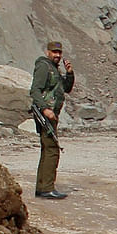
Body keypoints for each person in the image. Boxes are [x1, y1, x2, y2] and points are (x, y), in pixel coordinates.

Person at [28, 39, 75, 199]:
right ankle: (46, 188)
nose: (57, 55)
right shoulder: (43, 67)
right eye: (54, 52)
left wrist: (69, 73)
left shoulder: (54, 69)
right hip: (45, 115)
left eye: (59, 52)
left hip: (51, 115)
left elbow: (66, 88)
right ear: (48, 52)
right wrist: (45, 109)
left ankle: (42, 187)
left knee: (47, 149)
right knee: (52, 150)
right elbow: (35, 90)